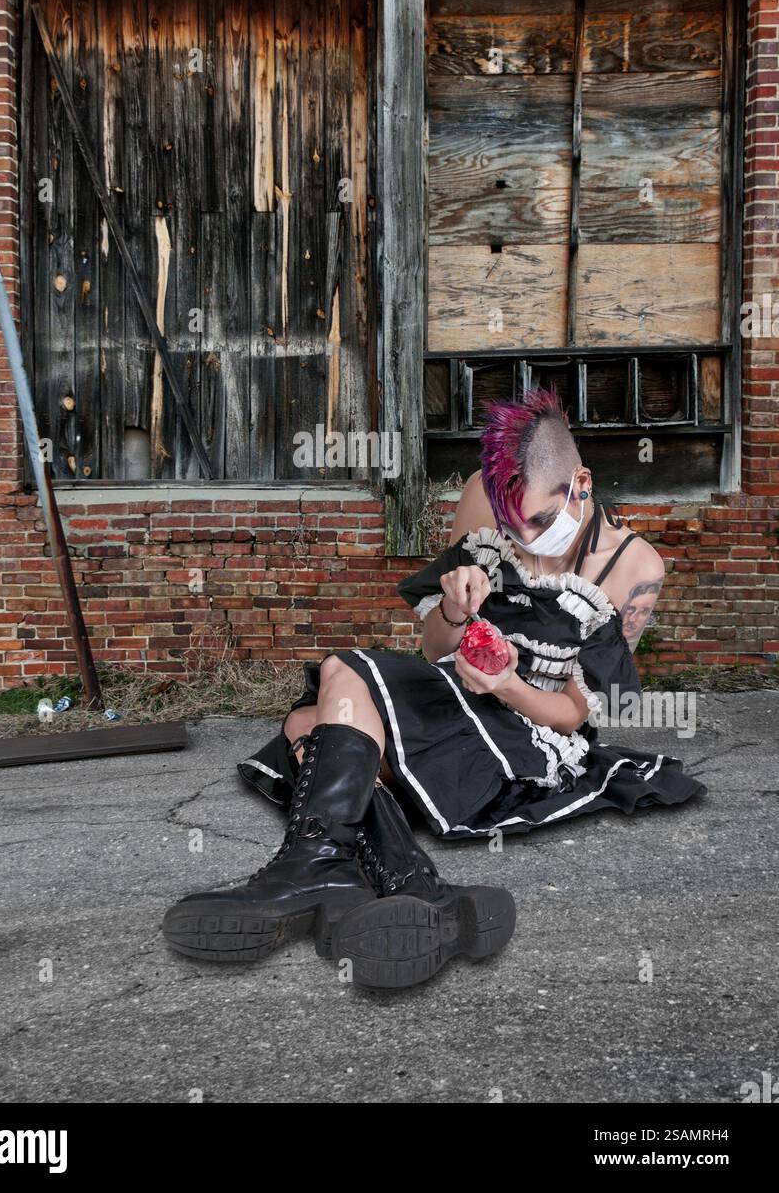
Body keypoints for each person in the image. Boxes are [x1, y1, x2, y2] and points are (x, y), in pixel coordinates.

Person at [162, 387, 705, 988]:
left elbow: (576, 715)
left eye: (543, 523)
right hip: (456, 697)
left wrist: (505, 685)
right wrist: (451, 609)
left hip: (529, 735)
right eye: (513, 526)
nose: (526, 541)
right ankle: (417, 891)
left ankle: (320, 871)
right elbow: (435, 651)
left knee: (327, 701)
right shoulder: (482, 499)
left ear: (581, 483)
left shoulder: (636, 570)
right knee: (306, 726)